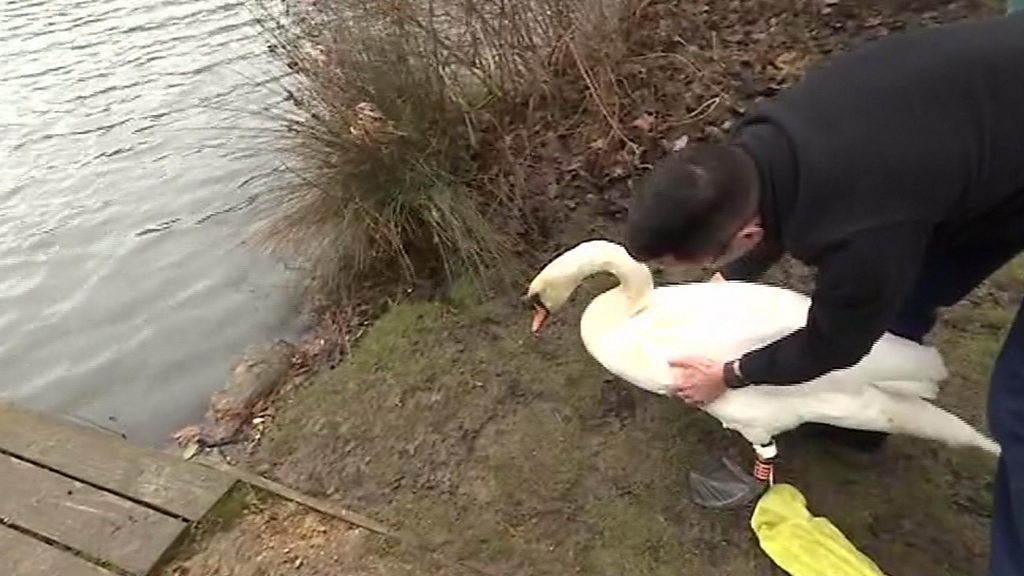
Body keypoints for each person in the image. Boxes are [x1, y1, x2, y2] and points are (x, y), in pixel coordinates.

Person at [623, 12, 1024, 576]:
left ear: (745, 234)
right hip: (980, 148)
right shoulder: (758, 149)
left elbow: (834, 342)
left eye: (696, 265)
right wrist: (729, 282)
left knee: (1019, 404)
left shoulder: (864, 231)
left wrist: (730, 373)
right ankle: (856, 425)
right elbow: (773, 228)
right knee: (905, 284)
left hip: (968, 147)